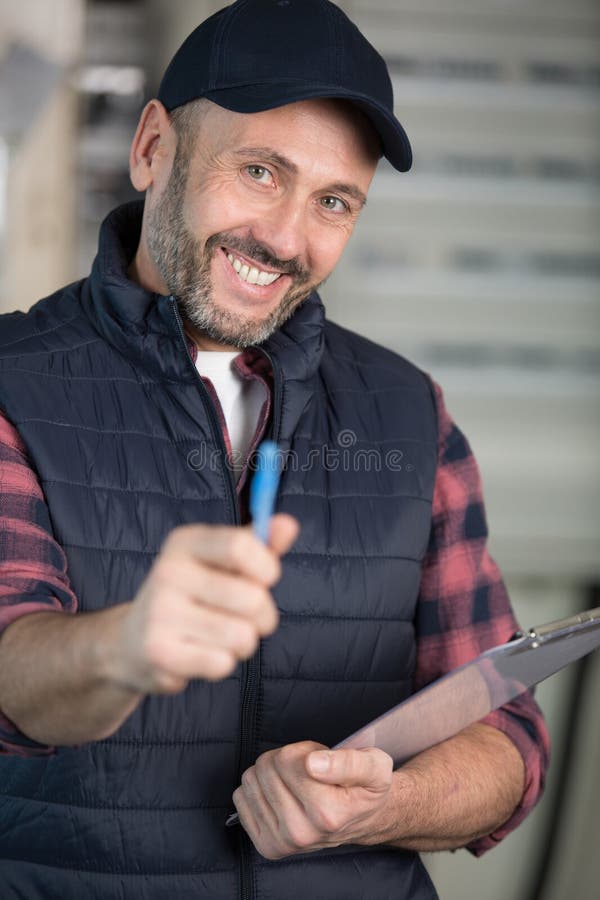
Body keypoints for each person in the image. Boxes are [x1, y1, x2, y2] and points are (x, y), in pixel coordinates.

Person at [0, 1, 549, 898]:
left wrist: (389, 803)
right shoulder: (11, 384)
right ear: (152, 150)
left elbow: (509, 740)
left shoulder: (409, 413)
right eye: (259, 171)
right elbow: (10, 674)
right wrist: (124, 648)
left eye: (333, 201)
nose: (288, 238)